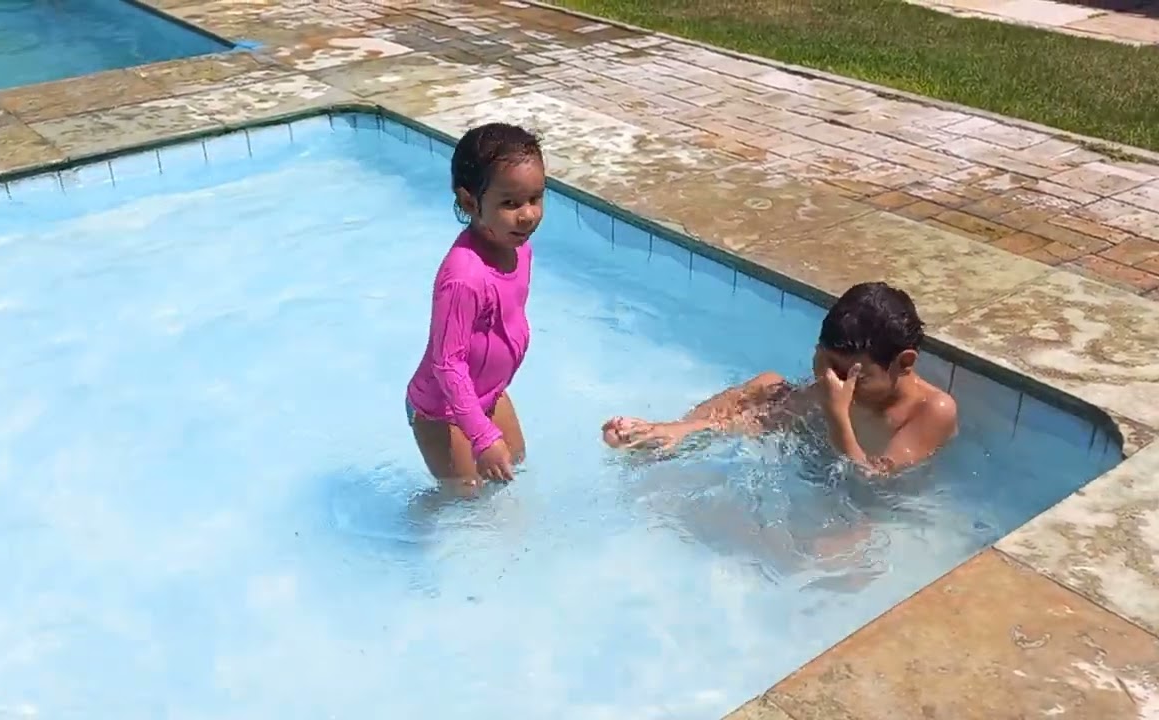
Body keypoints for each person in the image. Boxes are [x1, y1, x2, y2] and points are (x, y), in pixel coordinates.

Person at [602, 282, 958, 476]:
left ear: (904, 363)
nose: (831, 382)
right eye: (823, 366)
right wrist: (685, 432)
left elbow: (873, 482)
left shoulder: (931, 411)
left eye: (849, 376)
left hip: (855, 499)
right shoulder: (833, 384)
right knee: (766, 386)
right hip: (813, 455)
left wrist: (837, 415)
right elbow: (760, 421)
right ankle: (666, 436)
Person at [405, 122, 544, 492]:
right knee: (466, 496)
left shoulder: (519, 250)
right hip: (439, 410)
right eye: (510, 203)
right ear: (470, 202)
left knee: (516, 466)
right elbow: (447, 363)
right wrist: (481, 435)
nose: (527, 214)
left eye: (535, 198)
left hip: (487, 391)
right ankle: (418, 523)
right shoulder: (463, 277)